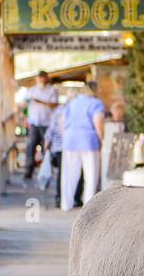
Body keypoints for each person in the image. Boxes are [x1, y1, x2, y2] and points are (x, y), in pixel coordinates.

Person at [60, 80, 106, 212]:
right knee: (91, 175)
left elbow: (62, 122)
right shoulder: (96, 103)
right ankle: (88, 206)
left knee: (69, 174)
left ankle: (66, 204)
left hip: (70, 141)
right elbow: (98, 123)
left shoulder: (72, 102)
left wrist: (66, 138)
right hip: (88, 141)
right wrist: (101, 140)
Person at [22, 70, 59, 180]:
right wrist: (25, 117)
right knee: (31, 146)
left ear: (46, 78)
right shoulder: (32, 90)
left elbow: (54, 104)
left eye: (43, 77)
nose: (41, 79)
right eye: (39, 77)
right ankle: (29, 171)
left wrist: (40, 102)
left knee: (47, 148)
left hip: (47, 123)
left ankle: (47, 171)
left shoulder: (52, 90)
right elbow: (25, 104)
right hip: (34, 122)